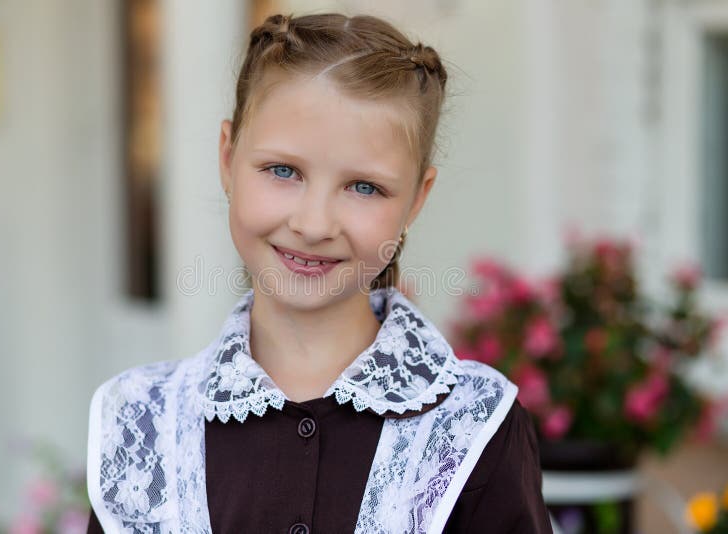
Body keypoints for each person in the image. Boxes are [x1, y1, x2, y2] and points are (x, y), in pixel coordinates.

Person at [86, 12, 553, 534]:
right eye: (283, 171)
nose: (313, 224)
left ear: (417, 199)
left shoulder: (473, 429)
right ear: (227, 157)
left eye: (364, 187)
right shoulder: (140, 424)